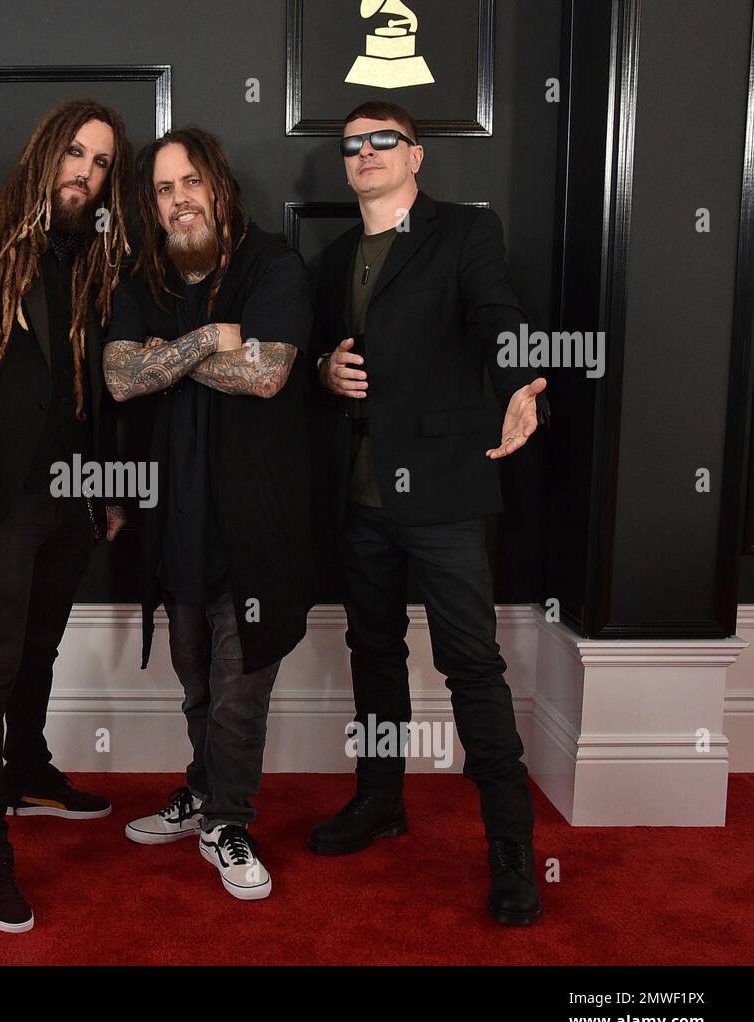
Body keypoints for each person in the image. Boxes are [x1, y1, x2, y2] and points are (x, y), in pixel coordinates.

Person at [307, 100, 549, 925]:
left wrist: (519, 382)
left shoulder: (465, 233)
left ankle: (511, 850)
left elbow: (496, 317)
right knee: (372, 652)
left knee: (471, 667)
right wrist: (324, 372)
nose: (366, 153)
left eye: (384, 141)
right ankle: (382, 800)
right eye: (353, 146)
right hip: (360, 498)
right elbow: (318, 355)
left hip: (445, 490)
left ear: (416, 157)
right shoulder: (336, 254)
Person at [0, 99, 130, 932]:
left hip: (74, 495)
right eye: (74, 155)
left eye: (100, 164)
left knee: (39, 646)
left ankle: (28, 771)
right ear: (44, 153)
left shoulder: (100, 255)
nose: (83, 173)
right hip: (0, 498)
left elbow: (109, 382)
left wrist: (112, 486)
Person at [105, 128, 314, 901]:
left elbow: (266, 376)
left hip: (258, 524)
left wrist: (171, 360)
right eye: (163, 189)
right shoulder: (145, 279)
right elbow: (122, 378)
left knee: (238, 687)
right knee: (195, 681)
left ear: (220, 186)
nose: (178, 199)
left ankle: (228, 820)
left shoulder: (275, 265)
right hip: (175, 522)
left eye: (190, 181)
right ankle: (201, 788)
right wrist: (205, 341)